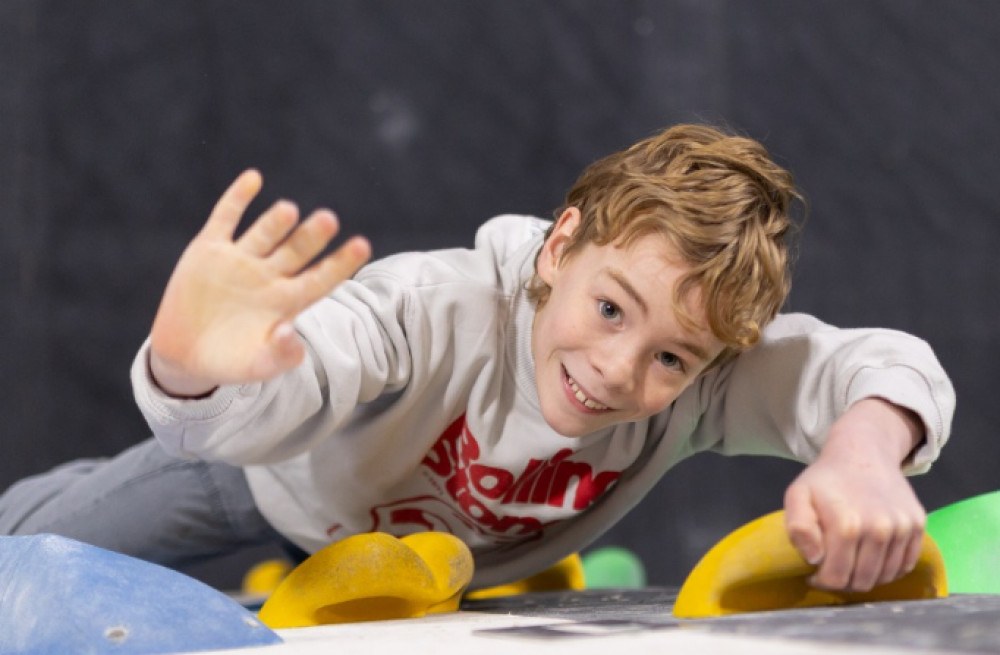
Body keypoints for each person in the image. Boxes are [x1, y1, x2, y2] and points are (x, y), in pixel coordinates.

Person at [0, 124, 954, 593]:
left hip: (437, 566)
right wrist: (195, 362)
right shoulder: (437, 306)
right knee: (29, 562)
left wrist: (863, 451)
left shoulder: (698, 381)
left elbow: (868, 363)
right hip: (267, 479)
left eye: (671, 356)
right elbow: (315, 367)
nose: (622, 371)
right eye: (610, 307)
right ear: (559, 245)